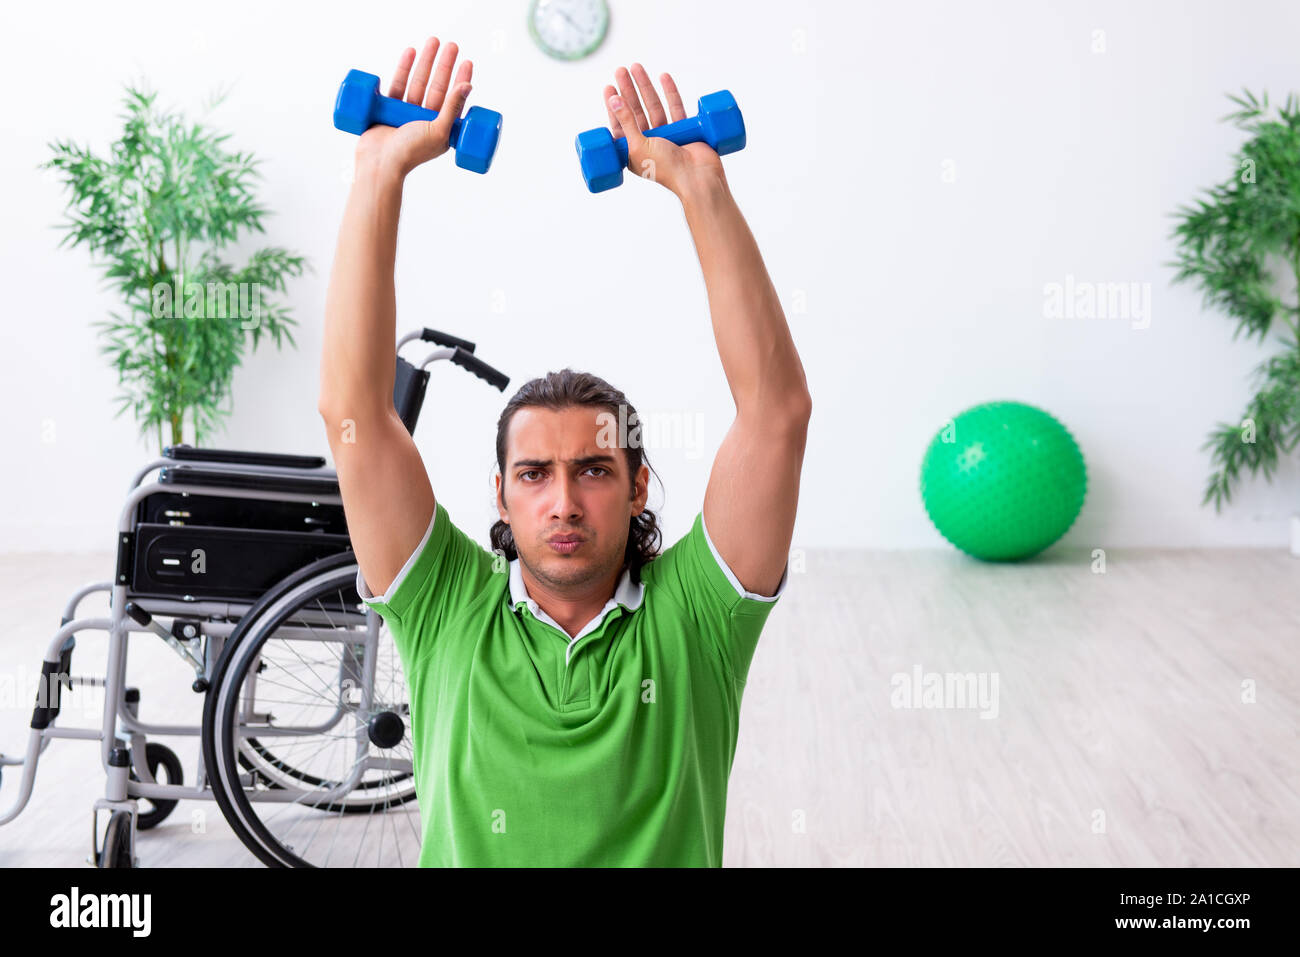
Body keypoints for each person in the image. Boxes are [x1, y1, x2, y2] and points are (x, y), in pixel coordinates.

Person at [318, 36, 812, 866]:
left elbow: (777, 415)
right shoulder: (446, 609)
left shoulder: (696, 619)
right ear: (503, 496)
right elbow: (354, 414)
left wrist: (701, 190)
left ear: (637, 486)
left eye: (593, 469)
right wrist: (378, 173)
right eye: (535, 475)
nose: (564, 501)